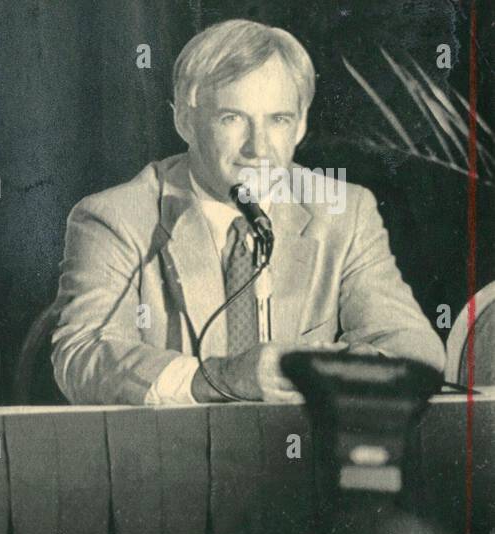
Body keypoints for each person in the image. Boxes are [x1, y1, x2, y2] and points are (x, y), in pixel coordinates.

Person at [50, 19, 444, 406]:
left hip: (302, 459)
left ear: (302, 124)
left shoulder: (345, 210)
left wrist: (336, 371)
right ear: (185, 121)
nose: (259, 148)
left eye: (278, 120)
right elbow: (82, 356)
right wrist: (222, 378)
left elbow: (414, 347)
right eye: (232, 118)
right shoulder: (116, 217)